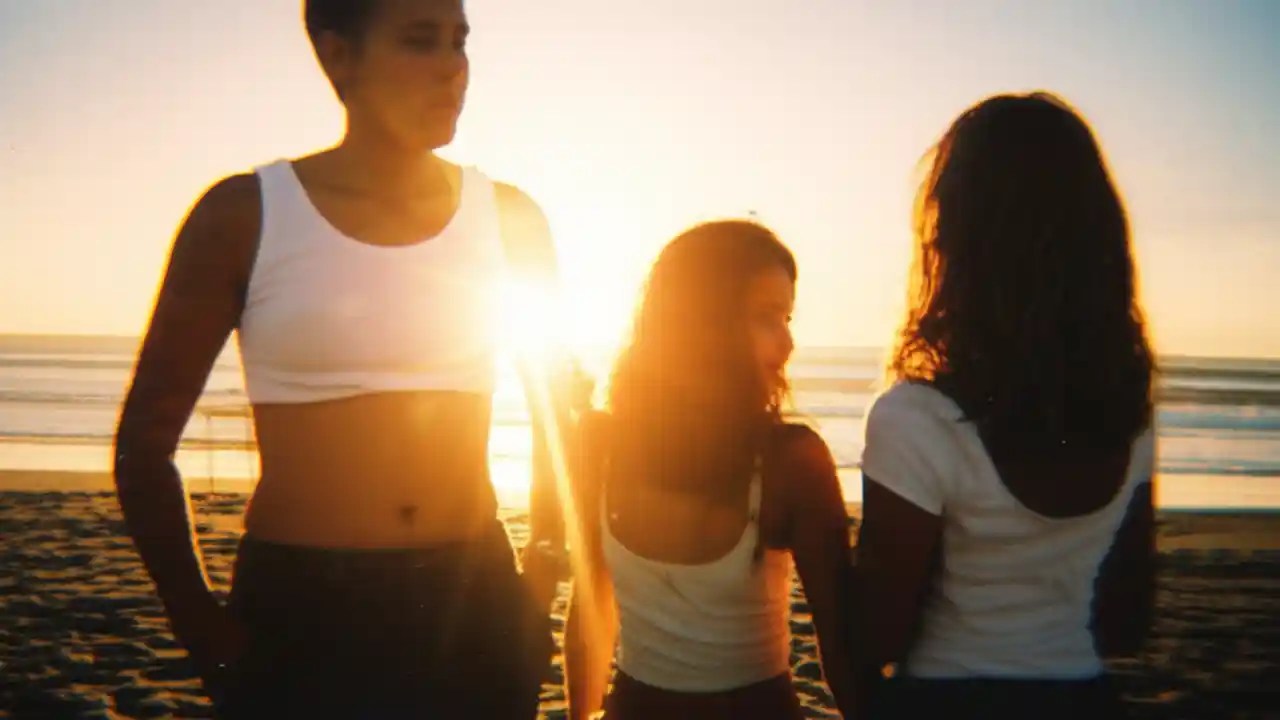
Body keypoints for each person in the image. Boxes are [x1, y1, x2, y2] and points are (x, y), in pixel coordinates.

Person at [112, 0, 577, 716]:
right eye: (421, 41)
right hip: (303, 610)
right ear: (337, 56)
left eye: (460, 41)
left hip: (472, 601)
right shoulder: (242, 216)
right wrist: (202, 629)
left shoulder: (511, 218)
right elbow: (145, 447)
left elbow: (558, 420)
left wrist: (540, 574)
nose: (454, 67)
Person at [854, 92, 1157, 719]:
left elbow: (876, 638)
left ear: (957, 237)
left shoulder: (918, 420)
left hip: (945, 700)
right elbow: (1127, 621)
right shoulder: (1130, 410)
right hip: (1082, 698)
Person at [563, 221, 859, 720]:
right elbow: (589, 612)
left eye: (787, 318)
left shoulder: (790, 461)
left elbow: (842, 647)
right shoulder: (599, 445)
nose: (787, 345)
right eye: (768, 318)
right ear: (701, 323)